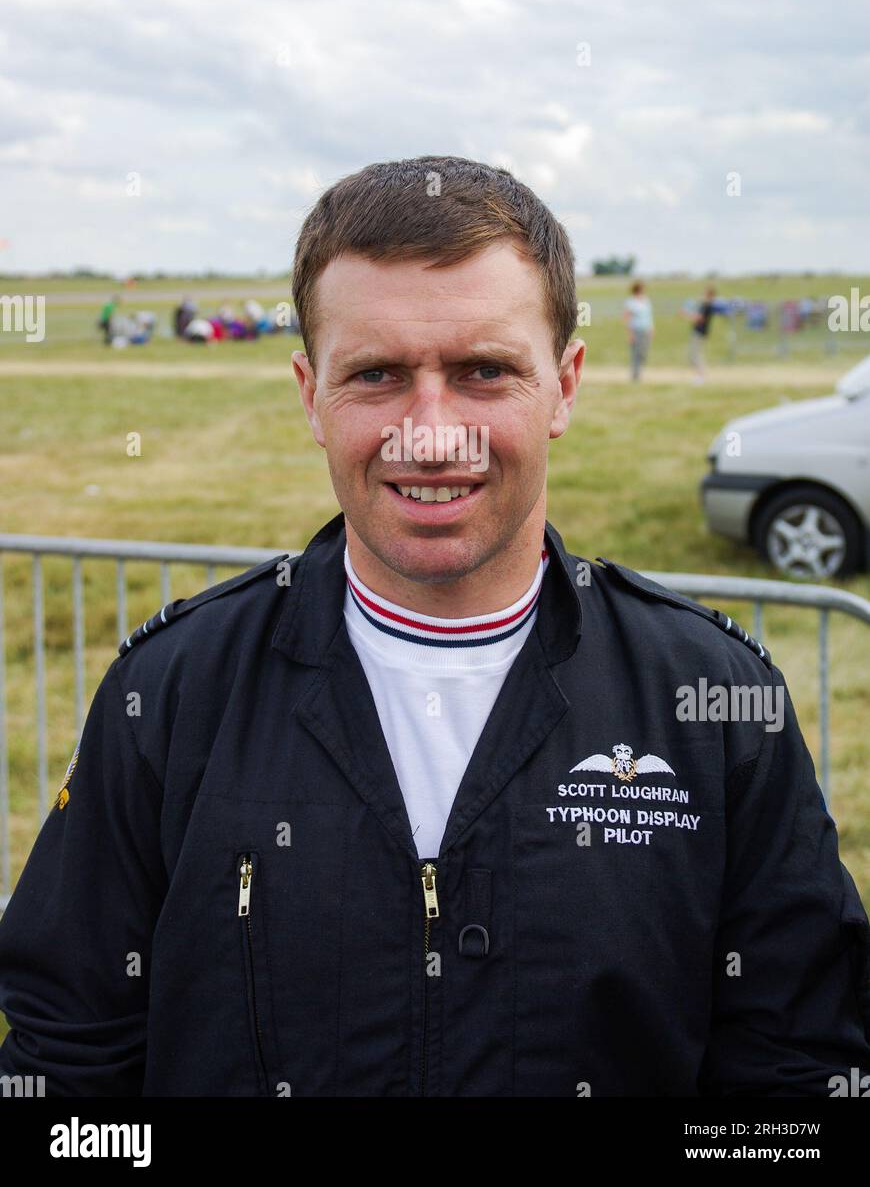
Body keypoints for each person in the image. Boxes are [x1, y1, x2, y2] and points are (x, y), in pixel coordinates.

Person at [0, 156, 868, 1098]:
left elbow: (797, 1073)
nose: (431, 433)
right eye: (376, 375)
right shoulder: (168, 695)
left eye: (483, 372)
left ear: (566, 385)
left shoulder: (715, 703)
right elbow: (66, 1056)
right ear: (309, 396)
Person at [622, 280, 654, 381]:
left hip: (645, 329)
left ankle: (639, 371)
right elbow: (627, 318)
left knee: (643, 352)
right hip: (636, 330)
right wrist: (630, 333)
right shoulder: (631, 302)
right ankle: (635, 375)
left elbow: (648, 316)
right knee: (636, 352)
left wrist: (651, 328)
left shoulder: (646, 301)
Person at [685, 285, 717, 381]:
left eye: (705, 294)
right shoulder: (706, 305)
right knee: (695, 355)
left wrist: (686, 314)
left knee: (695, 355)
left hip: (699, 332)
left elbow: (699, 319)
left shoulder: (706, 306)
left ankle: (701, 376)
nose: (703, 295)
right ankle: (700, 375)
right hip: (700, 332)